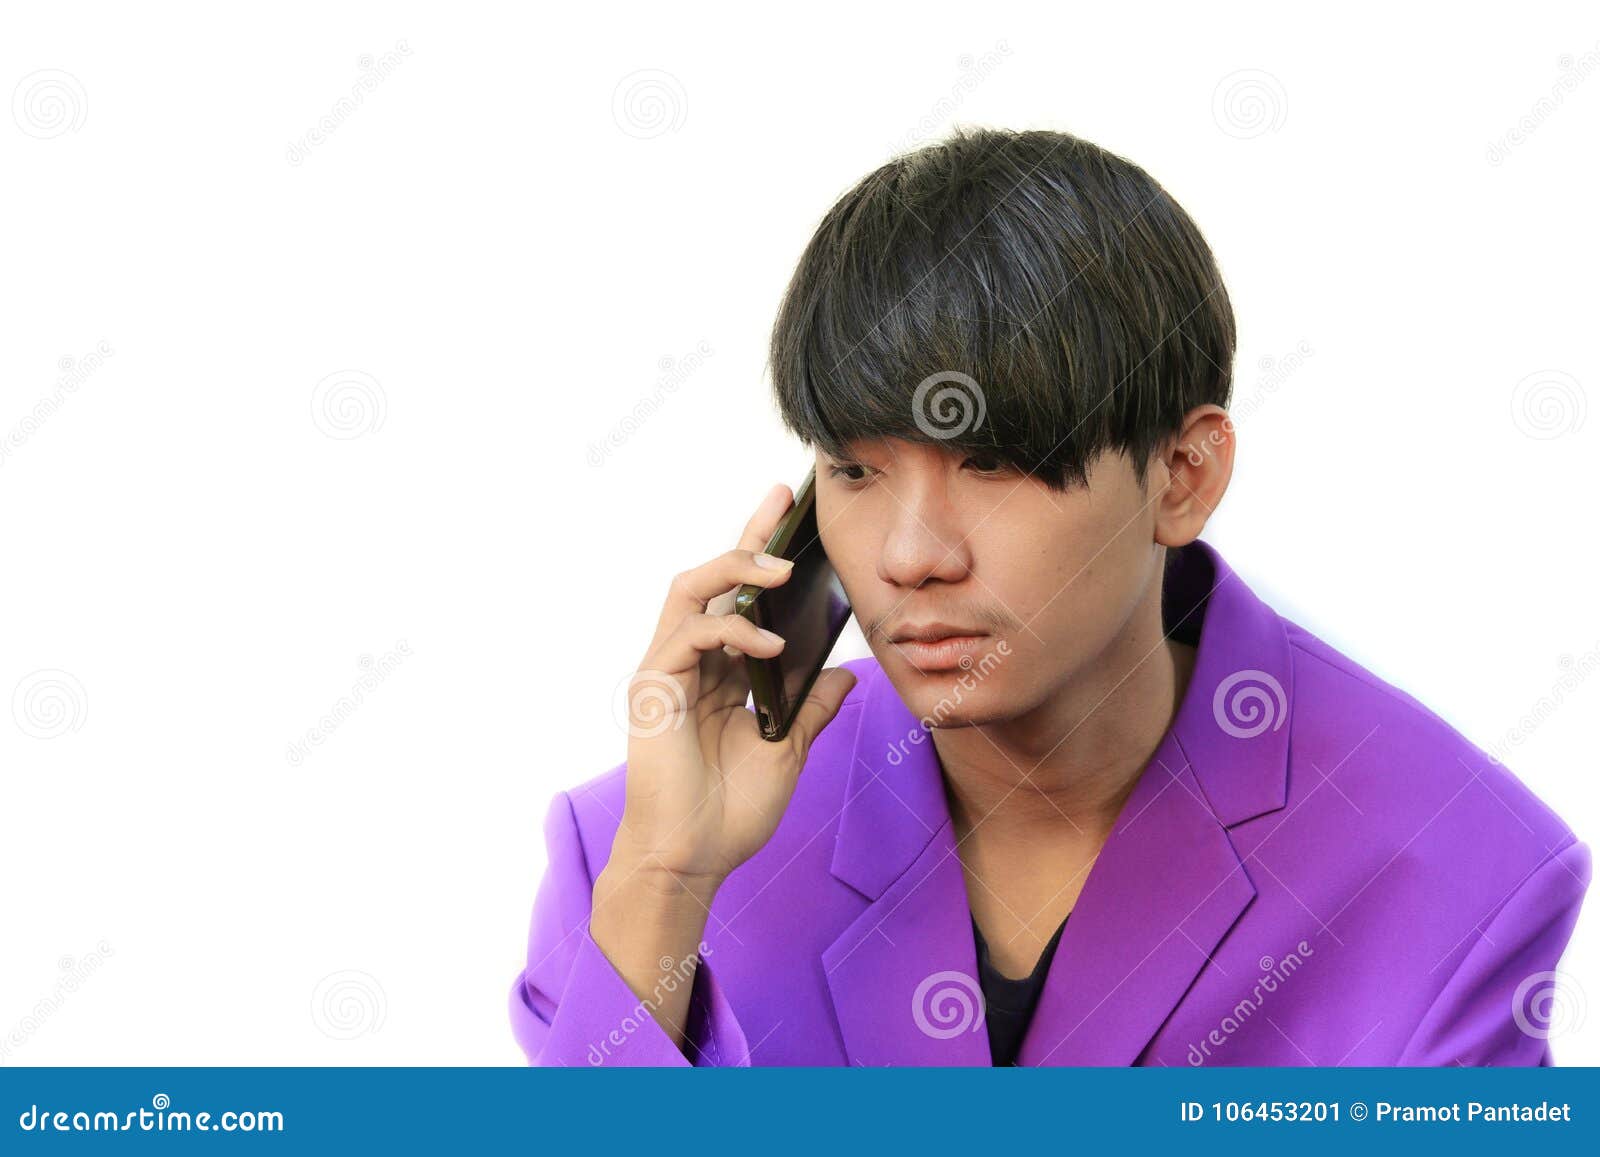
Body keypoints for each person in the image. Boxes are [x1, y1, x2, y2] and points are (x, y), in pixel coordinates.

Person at [509, 127, 1590, 1066]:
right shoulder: (637, 848)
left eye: (992, 461)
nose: (910, 554)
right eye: (853, 468)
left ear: (1181, 475)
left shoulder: (1458, 866)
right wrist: (663, 880)